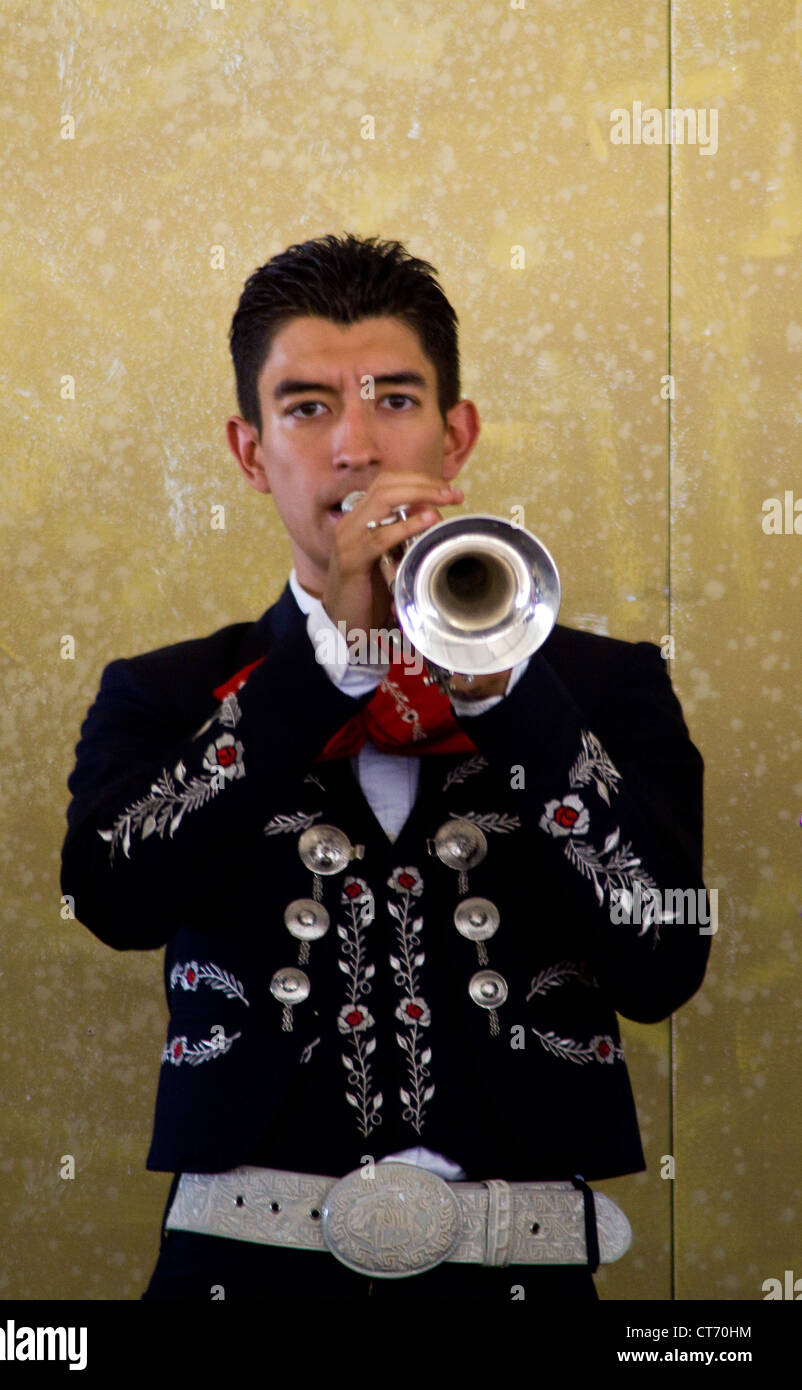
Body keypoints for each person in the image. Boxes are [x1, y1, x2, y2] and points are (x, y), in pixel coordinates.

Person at [60, 232, 711, 1302]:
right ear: (248, 449)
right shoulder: (167, 692)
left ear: (455, 436)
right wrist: (321, 674)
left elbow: (662, 959)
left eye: (393, 399)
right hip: (241, 1276)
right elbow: (111, 894)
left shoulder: (602, 686)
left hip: (522, 1279)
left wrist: (503, 689)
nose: (354, 446)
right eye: (307, 407)